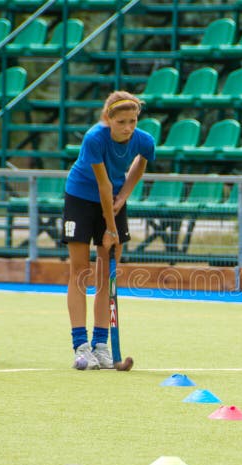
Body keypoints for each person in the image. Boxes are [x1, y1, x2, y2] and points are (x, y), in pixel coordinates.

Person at [63, 91, 155, 370]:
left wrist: (124, 195)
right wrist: (111, 229)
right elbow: (102, 185)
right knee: (80, 270)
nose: (128, 128)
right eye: (122, 122)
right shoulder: (95, 138)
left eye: (133, 121)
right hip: (80, 197)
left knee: (108, 274)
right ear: (108, 119)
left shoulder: (144, 140)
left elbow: (140, 165)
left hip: (112, 202)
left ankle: (101, 345)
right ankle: (81, 346)